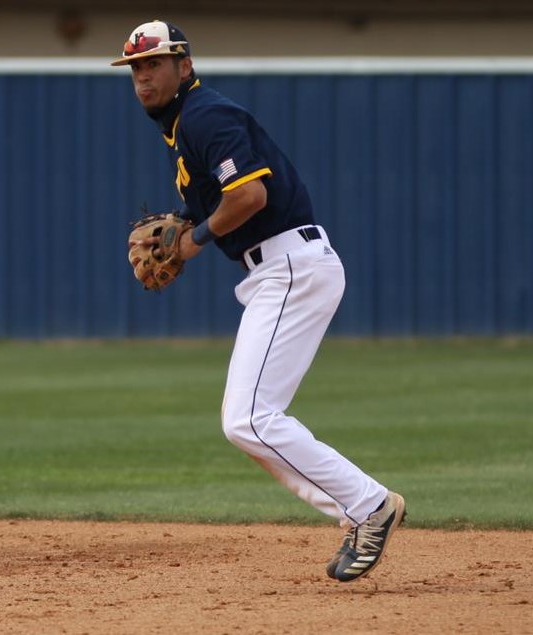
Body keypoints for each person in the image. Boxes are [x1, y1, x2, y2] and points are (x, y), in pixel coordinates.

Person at [114, 20, 405, 582]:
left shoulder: (204, 116)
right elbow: (224, 198)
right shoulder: (183, 126)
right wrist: (189, 222)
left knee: (249, 417)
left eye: (154, 63)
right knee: (247, 419)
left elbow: (250, 194)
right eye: (135, 67)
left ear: (185, 66)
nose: (143, 76)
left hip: (289, 267)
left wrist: (193, 240)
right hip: (280, 269)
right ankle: (362, 508)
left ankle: (368, 506)